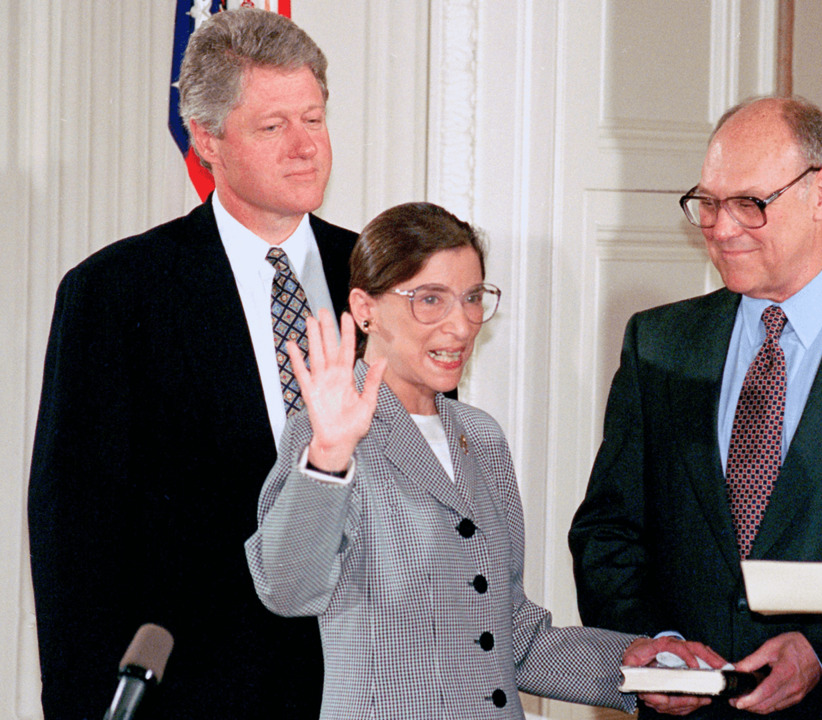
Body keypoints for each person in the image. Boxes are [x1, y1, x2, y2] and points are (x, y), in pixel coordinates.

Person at [568, 96, 822, 719]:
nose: (722, 227)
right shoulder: (659, 343)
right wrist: (661, 652)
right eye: (707, 203)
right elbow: (609, 532)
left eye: (749, 204)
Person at [245, 202, 716, 719]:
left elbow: (507, 635)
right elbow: (286, 589)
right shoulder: (324, 434)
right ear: (365, 308)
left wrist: (631, 664)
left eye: (472, 298)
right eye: (430, 299)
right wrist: (330, 455)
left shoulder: (481, 437)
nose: (461, 325)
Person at [28, 8, 353, 718]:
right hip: (202, 690)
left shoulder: (377, 273)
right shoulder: (116, 292)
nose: (306, 148)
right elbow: (74, 535)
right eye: (273, 127)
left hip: (370, 684)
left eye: (315, 118)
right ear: (207, 140)